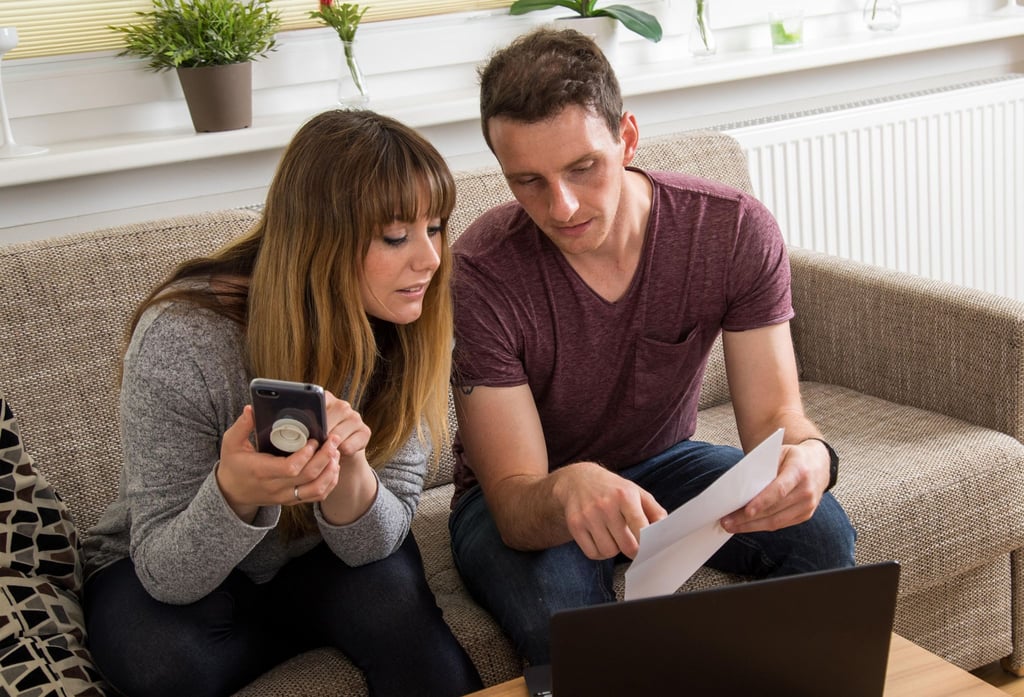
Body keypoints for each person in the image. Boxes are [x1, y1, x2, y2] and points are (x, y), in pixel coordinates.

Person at [448, 27, 857, 666]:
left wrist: (809, 457)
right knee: (564, 611)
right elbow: (513, 502)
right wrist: (567, 489)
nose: (560, 207)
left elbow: (777, 419)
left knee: (821, 535)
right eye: (527, 180)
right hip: (529, 497)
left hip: (662, 460)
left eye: (583, 167)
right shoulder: (481, 271)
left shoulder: (730, 231)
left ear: (628, 137)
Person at [82, 109, 483, 697]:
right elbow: (167, 573)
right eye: (396, 236)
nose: (429, 258)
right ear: (320, 239)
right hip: (179, 570)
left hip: (321, 562)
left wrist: (350, 478)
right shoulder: (186, 335)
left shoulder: (413, 321)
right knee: (159, 660)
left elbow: (382, 538)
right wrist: (236, 493)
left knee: (396, 604)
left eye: (435, 228)